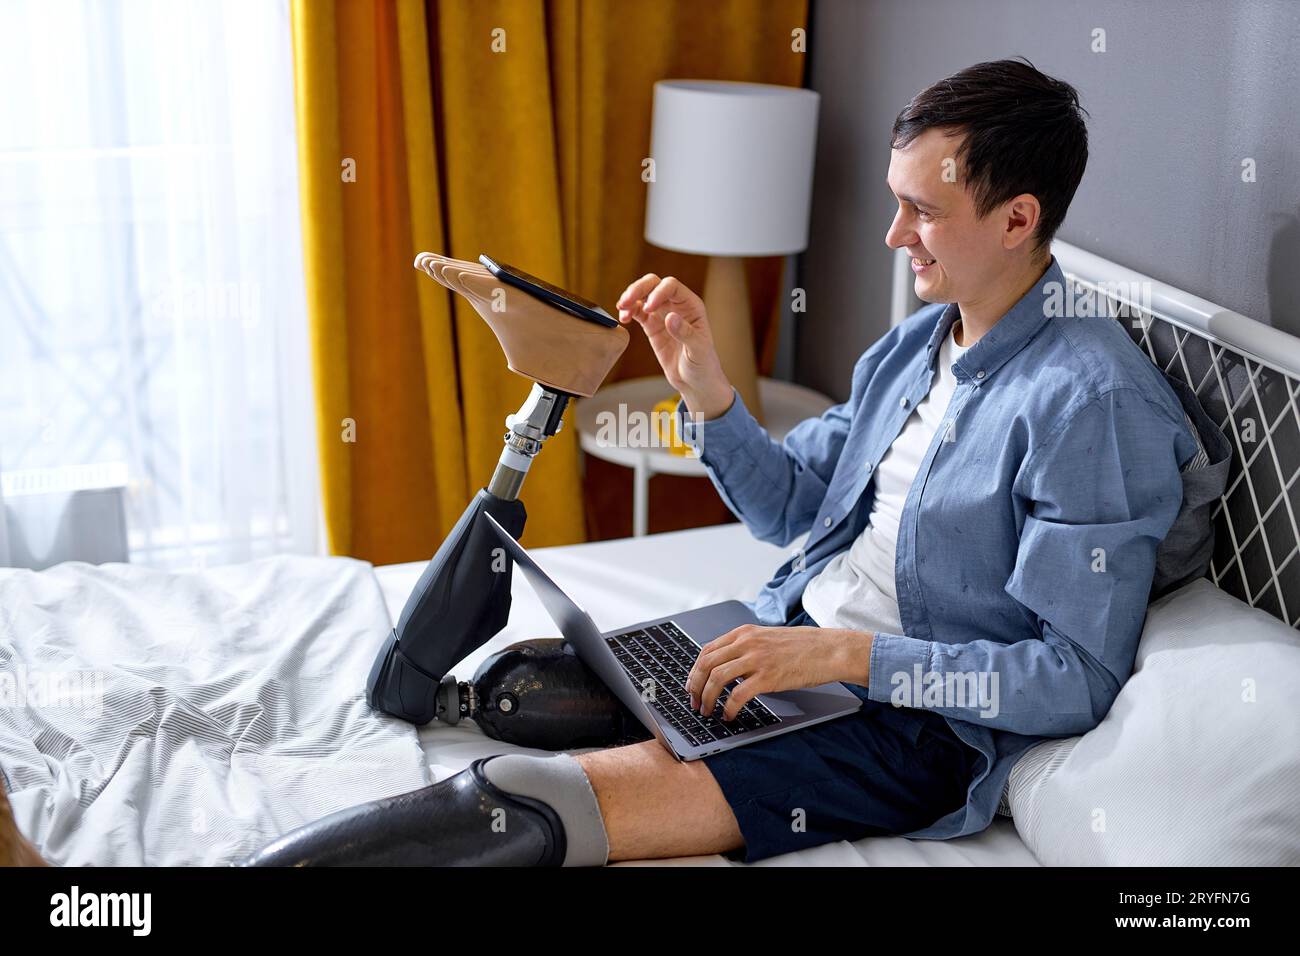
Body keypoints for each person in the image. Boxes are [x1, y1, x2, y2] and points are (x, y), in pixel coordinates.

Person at [6, 57, 1224, 868]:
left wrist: (849, 653)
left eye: (922, 209)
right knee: (506, 683)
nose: (894, 232)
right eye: (892, 199)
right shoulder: (921, 339)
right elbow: (801, 504)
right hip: (778, 645)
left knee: (530, 799)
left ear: (1018, 220)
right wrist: (701, 379)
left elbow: (1066, 677)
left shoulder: (1089, 403)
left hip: (904, 729)